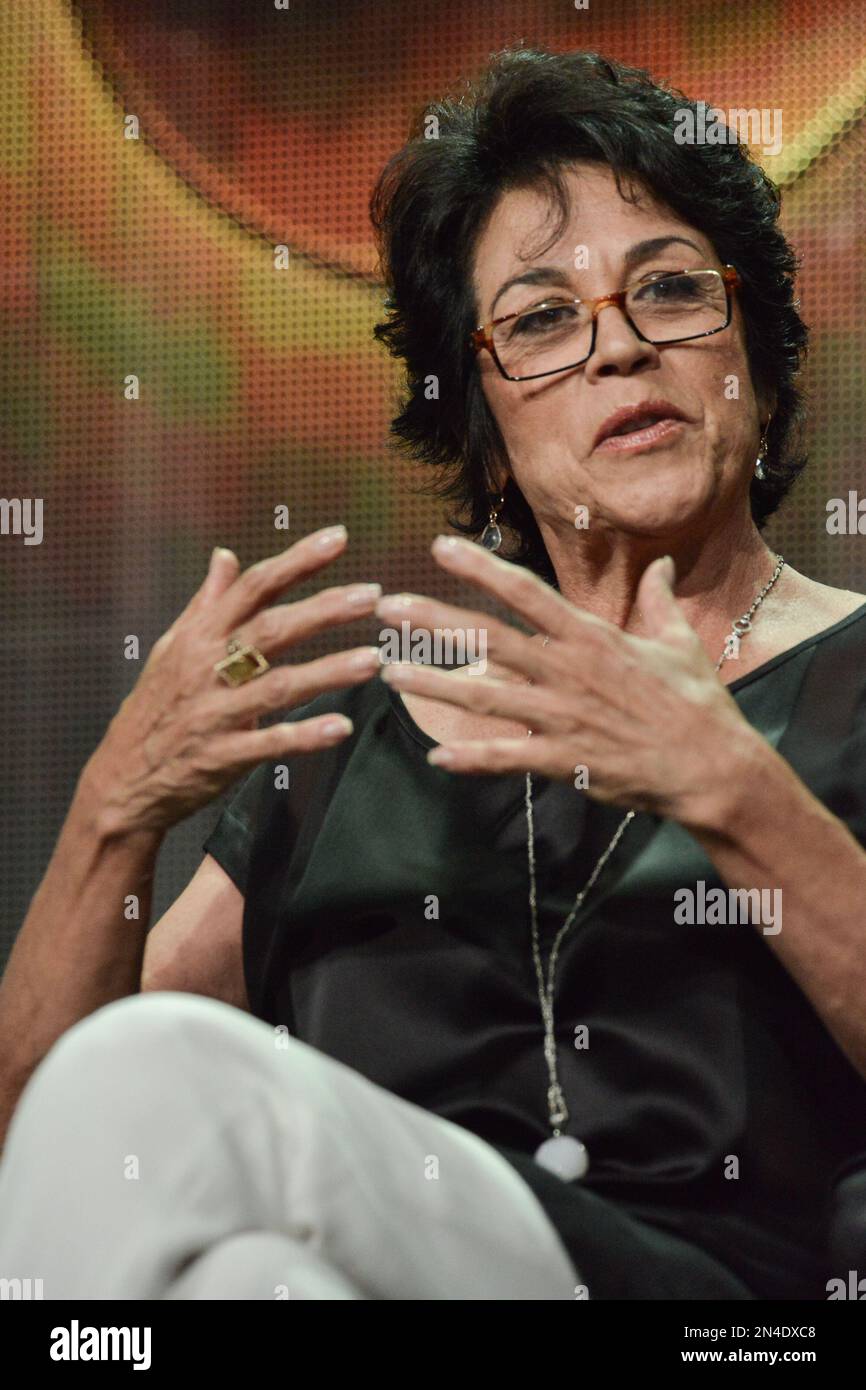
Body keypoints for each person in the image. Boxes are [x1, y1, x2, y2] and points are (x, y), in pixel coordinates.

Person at [1, 46, 866, 1301]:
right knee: (237, 1273)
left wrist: (732, 789)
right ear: (485, 428)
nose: (615, 351)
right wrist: (110, 813)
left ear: (758, 360)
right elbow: (53, 1152)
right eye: (539, 321)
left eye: (669, 292)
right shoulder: (359, 742)